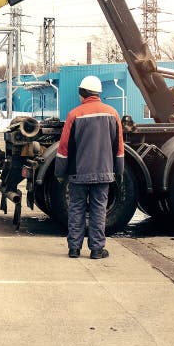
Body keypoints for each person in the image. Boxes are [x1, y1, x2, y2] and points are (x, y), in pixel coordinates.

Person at [54, 75, 124, 260]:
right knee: (99, 209)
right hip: (104, 172)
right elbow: (119, 146)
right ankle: (97, 250)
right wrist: (119, 171)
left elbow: (64, 147)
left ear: (82, 93)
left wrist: (59, 172)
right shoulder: (112, 113)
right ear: (98, 93)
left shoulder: (74, 115)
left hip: (79, 173)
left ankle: (74, 249)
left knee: (76, 208)